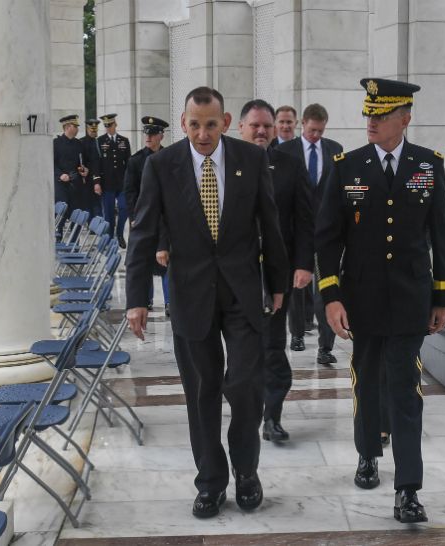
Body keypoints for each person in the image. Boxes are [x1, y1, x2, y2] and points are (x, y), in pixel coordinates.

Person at [126, 87, 289, 519]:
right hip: (190, 293)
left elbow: (269, 224)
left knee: (246, 388)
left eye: (211, 124)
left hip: (241, 292)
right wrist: (137, 299)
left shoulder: (251, 160)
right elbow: (142, 233)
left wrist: (277, 282)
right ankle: (211, 482)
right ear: (183, 123)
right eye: (194, 124)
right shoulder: (162, 166)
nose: (202, 134)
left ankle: (247, 472)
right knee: (202, 393)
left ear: (227, 121)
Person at [316, 78, 445, 524]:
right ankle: (368, 453)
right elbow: (328, 237)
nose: (370, 121)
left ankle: (408, 488)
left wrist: (443, 296)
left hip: (412, 299)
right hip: (362, 298)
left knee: (406, 390)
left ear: (405, 119)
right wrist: (331, 297)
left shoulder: (428, 165)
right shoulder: (346, 166)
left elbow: (441, 236)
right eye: (368, 114)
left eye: (381, 115)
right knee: (365, 379)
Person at [236, 99, 314, 444]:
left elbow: (304, 220)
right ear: (240, 128)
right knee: (241, 353)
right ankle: (244, 414)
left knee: (272, 349)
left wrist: (303, 264)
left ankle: (272, 416)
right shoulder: (223, 164)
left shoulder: (290, 165)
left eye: (267, 126)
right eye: (255, 125)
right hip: (234, 277)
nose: (262, 131)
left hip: (273, 278)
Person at [277, 103, 343, 365]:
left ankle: (326, 347)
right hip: (295, 233)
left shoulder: (335, 150)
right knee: (296, 289)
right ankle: (296, 334)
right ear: (302, 124)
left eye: (321, 131)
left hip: (326, 233)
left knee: (326, 291)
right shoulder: (284, 151)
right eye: (313, 130)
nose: (316, 135)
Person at [124, 116, 170, 311]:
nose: (148, 138)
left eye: (152, 134)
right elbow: (130, 191)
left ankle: (170, 301)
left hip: (166, 218)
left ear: (161, 135)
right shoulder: (136, 161)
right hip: (144, 218)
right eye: (146, 134)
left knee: (167, 259)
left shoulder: (170, 158)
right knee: (143, 258)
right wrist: (134, 217)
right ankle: (146, 299)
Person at [97, 113, 132, 247]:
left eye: (110, 125)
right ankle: (110, 237)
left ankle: (119, 233)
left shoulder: (124, 140)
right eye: (106, 126)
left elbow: (129, 162)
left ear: (115, 124)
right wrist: (97, 182)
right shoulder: (100, 141)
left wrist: (130, 181)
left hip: (122, 182)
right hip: (107, 183)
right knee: (109, 213)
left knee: (124, 208)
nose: (108, 128)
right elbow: (97, 163)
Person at [52, 114, 88, 235]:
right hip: (61, 184)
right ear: (67, 127)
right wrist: (60, 175)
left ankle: (75, 242)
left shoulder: (79, 144)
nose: (78, 129)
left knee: (76, 213)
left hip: (75, 184)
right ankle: (58, 235)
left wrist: (84, 170)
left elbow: (82, 163)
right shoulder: (56, 143)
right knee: (61, 212)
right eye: (75, 126)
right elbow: (51, 164)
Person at [77, 118, 103, 217]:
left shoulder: (97, 142)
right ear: (87, 129)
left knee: (97, 206)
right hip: (86, 179)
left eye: (95, 130)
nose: (94, 132)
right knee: (89, 207)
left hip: (96, 178)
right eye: (92, 130)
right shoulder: (82, 142)